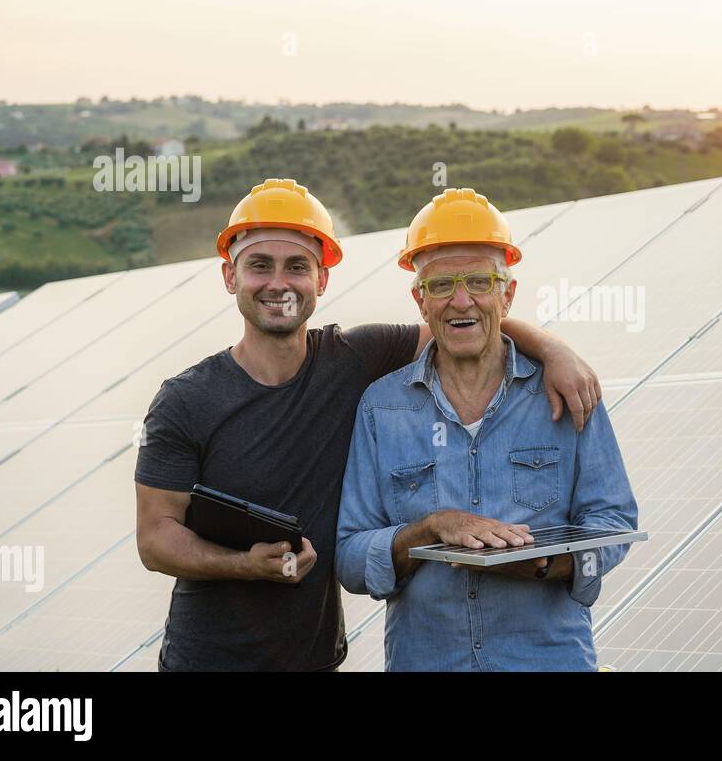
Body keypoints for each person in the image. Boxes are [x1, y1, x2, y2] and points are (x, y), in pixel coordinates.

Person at [134, 179, 601, 671]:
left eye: (297, 266)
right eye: (258, 266)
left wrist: (553, 350)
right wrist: (243, 565)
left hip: (315, 660)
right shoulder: (185, 399)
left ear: (322, 280)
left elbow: (464, 319)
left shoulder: (354, 359)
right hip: (207, 661)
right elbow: (155, 538)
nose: (279, 283)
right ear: (230, 277)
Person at [336, 187, 638, 671]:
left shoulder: (566, 392)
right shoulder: (382, 407)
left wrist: (544, 565)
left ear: (508, 293)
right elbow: (350, 554)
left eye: (480, 280)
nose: (461, 300)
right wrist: (429, 530)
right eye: (441, 285)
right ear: (420, 300)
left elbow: (613, 522)